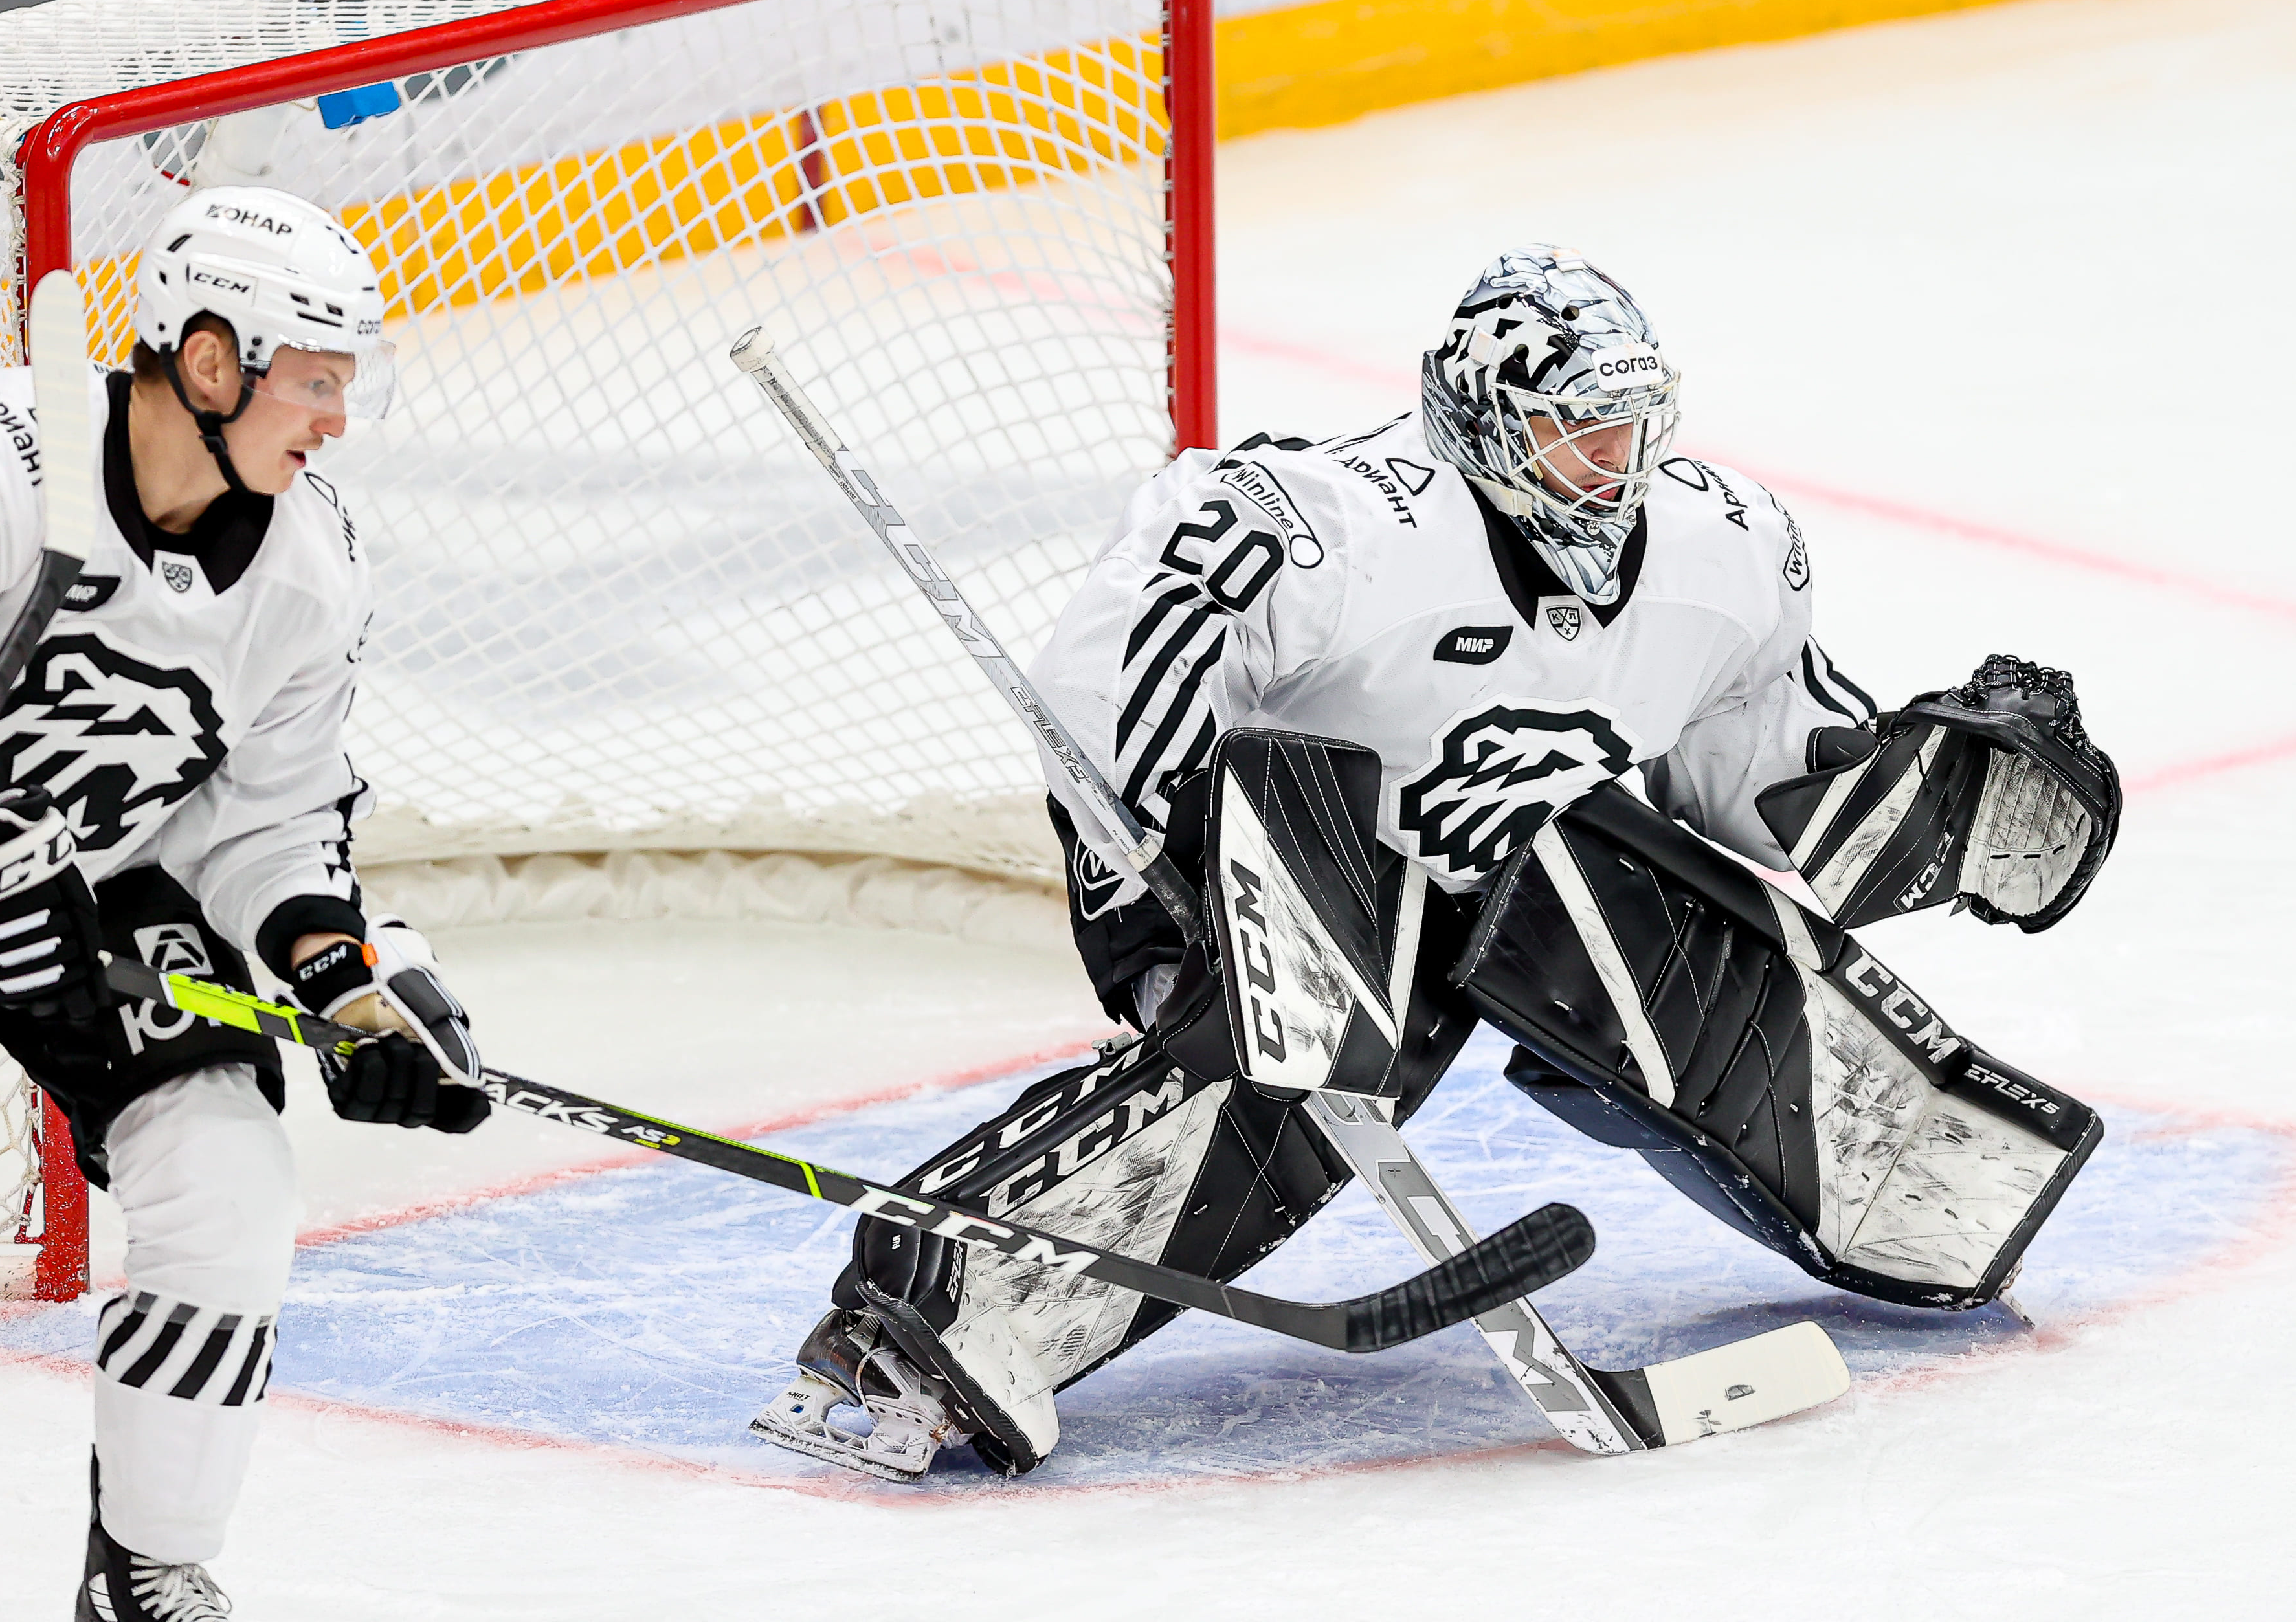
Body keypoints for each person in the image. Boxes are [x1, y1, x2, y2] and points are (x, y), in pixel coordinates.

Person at [748, 244, 2117, 1482]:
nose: (1611, 463)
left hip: (1500, 886)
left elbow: (1760, 775)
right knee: (1330, 1020)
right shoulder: (1333, 525)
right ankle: (940, 1311)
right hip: (1257, 877)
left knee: (1602, 868)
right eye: (1572, 432)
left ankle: (1911, 1188)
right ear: (1479, 418)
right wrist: (1159, 858)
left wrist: (1930, 804)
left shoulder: (1721, 553)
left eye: (1629, 429)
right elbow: (1129, 649)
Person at [0, 186, 492, 1621]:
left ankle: (148, 1570)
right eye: (313, 380)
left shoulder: (312, 563)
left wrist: (343, 978)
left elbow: (273, 814)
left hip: (98, 882)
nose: (336, 419)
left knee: (225, 1178)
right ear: (206, 360)